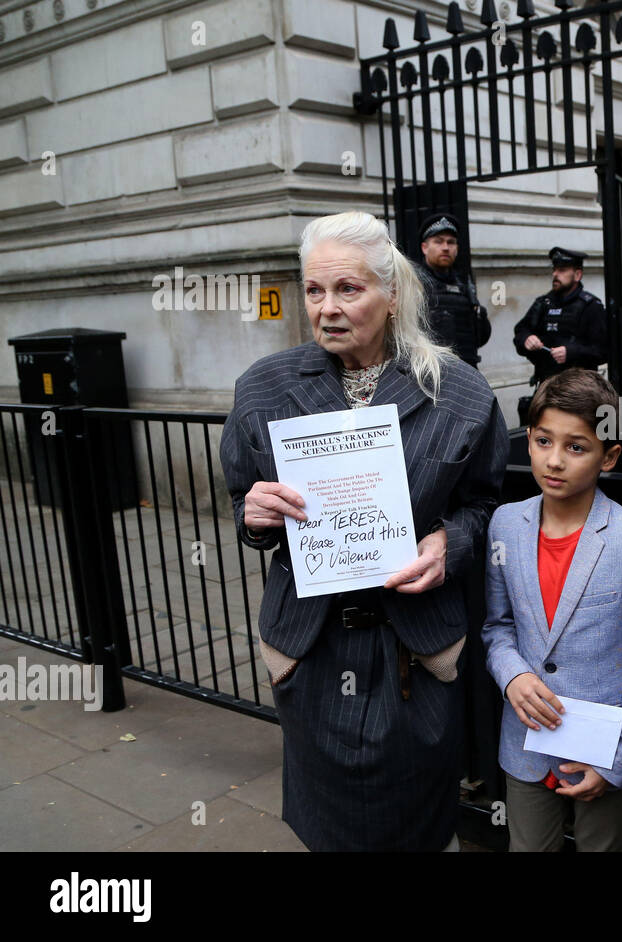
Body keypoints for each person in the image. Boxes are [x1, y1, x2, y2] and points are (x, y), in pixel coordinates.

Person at [219, 211, 509, 852]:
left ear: (393, 293)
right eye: (314, 291)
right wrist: (254, 514)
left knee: (417, 825)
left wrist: (449, 545)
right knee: (331, 827)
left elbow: (486, 505)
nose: (326, 308)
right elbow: (244, 500)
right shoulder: (262, 390)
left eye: (348, 289)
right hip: (313, 648)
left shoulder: (455, 391)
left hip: (416, 646)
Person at [481, 369, 622, 852]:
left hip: (603, 748)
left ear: (609, 457)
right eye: (544, 441)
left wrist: (617, 758)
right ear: (528, 441)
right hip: (525, 743)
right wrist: (513, 676)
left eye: (576, 447)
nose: (555, 460)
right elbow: (497, 627)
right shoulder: (505, 524)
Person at [513, 247, 609, 423]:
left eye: (562, 270)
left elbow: (603, 350)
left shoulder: (591, 306)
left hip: (580, 393)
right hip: (546, 388)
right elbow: (520, 331)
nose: (555, 274)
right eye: (554, 269)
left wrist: (571, 352)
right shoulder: (543, 303)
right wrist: (527, 339)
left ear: (577, 275)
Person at [418, 212, 492, 368]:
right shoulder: (413, 283)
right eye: (438, 242)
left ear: (457, 248)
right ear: (425, 247)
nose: (445, 248)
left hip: (467, 370)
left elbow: (480, 337)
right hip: (430, 371)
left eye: (450, 242)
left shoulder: (465, 286)